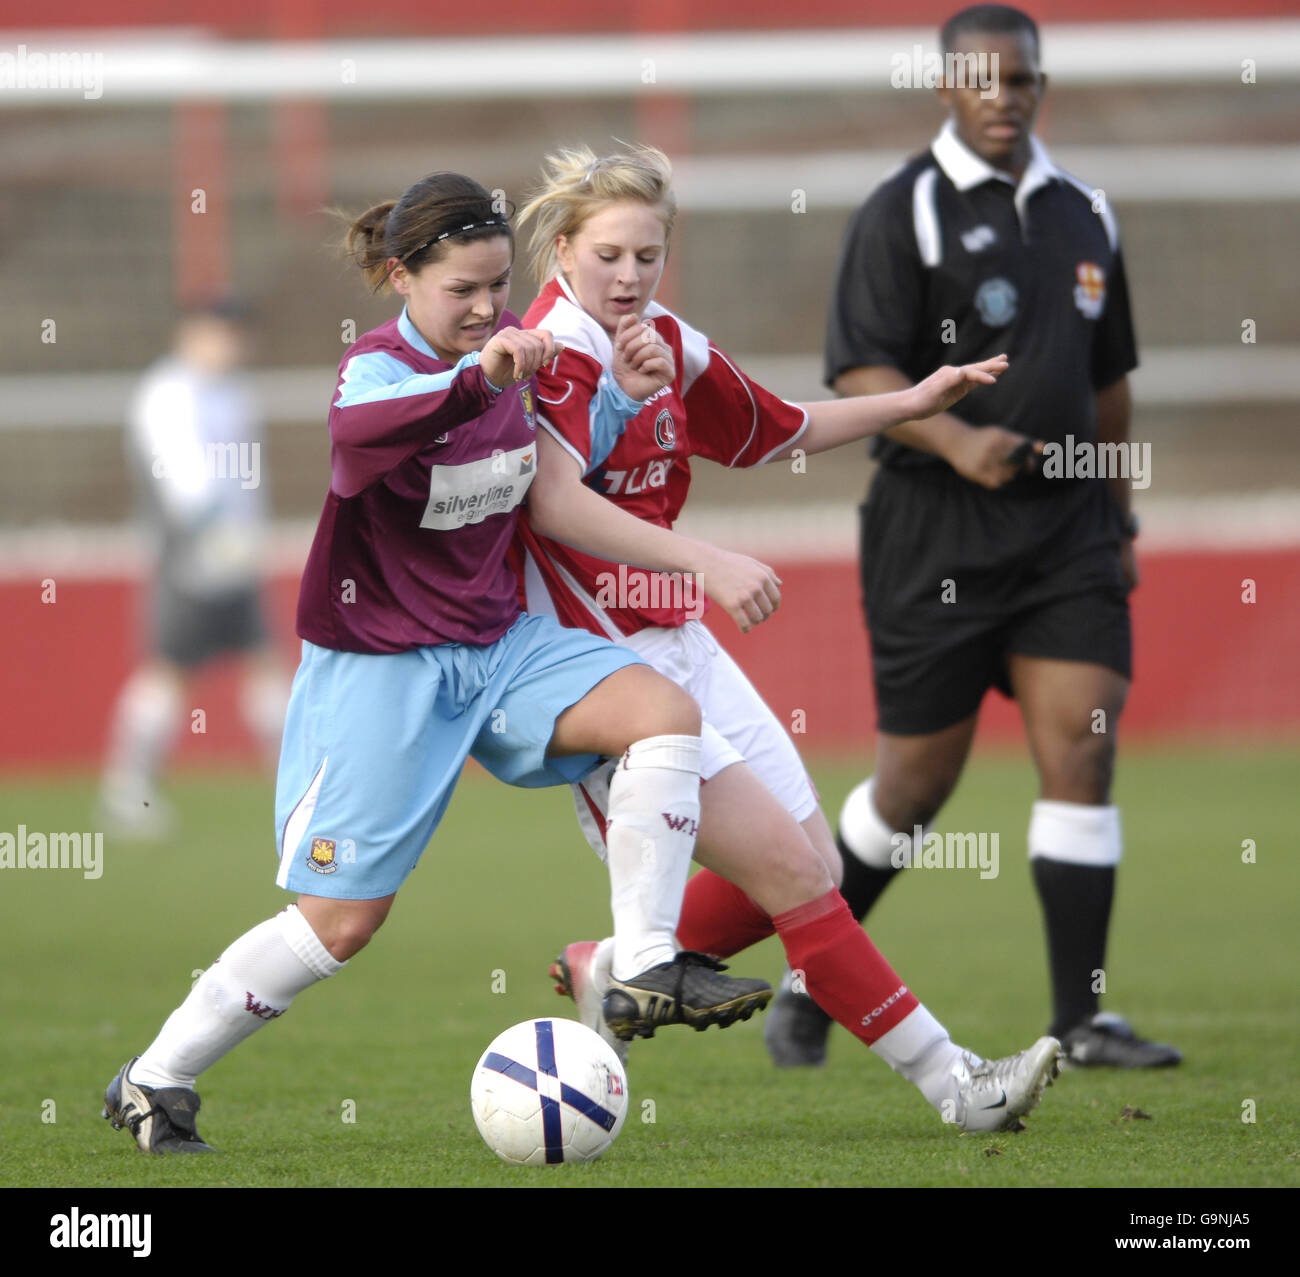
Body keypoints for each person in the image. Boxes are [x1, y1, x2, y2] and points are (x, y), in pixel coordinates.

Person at [101, 172, 776, 1155]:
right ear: (399, 275)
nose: (482, 306)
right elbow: (356, 435)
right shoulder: (373, 370)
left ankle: (641, 960)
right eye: (460, 286)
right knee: (340, 924)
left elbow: (531, 477)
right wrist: (480, 375)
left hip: (497, 644)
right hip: (384, 667)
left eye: (496, 285)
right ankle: (156, 1077)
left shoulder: (508, 364)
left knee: (662, 712)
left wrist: (615, 407)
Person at [511, 143, 1061, 1134]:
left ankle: (610, 963)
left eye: (649, 253)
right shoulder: (550, 351)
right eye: (610, 255)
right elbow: (551, 507)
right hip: (596, 668)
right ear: (561, 251)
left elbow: (775, 429)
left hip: (677, 640)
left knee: (814, 868)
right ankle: (959, 1084)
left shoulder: (665, 340)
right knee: (798, 874)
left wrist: (911, 400)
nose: (631, 275)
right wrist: (705, 557)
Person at [764, 4, 1182, 1069]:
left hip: (1067, 532)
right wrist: (955, 442)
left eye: (1022, 77)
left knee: (1082, 747)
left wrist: (1119, 512)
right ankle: (813, 977)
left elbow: (1110, 379)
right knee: (913, 787)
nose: (1006, 95)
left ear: (1042, 84)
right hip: (933, 530)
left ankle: (1079, 1018)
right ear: (945, 85)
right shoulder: (901, 211)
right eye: (984, 78)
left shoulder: (1087, 211)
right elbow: (858, 368)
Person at [100, 300, 289, 839]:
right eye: (219, 333)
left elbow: (246, 479)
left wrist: (249, 538)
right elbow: (182, 476)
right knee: (169, 669)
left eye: (236, 333)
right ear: (190, 335)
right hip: (188, 560)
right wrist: (212, 533)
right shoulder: (168, 393)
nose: (230, 344)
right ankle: (127, 792)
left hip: (236, 556)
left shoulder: (231, 391)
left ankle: (292, 786)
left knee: (263, 662)